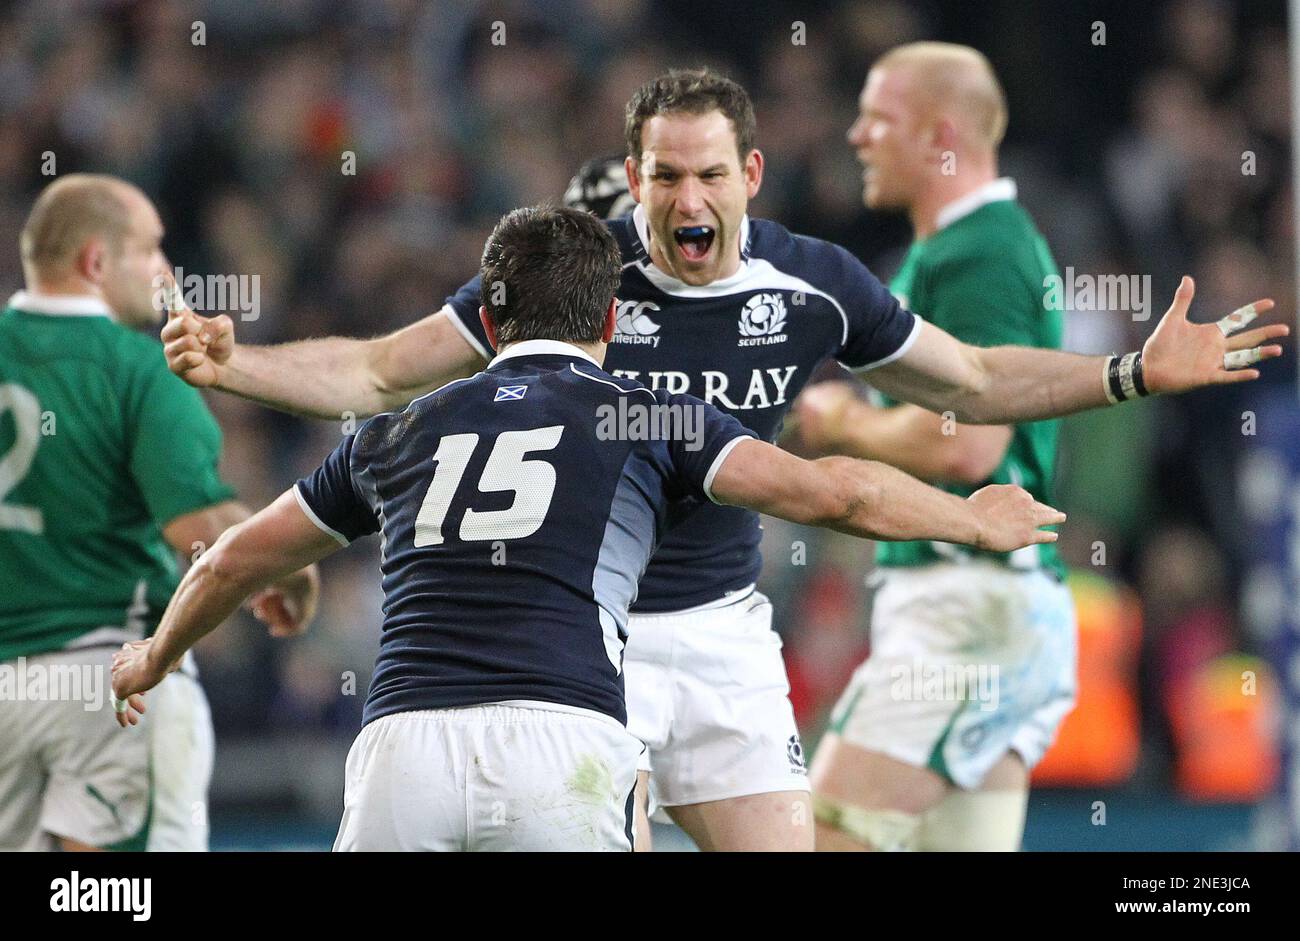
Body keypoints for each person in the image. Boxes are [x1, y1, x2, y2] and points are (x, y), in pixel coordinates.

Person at [157, 69, 1283, 851]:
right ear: (632, 180)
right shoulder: (577, 280)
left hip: (722, 636)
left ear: (748, 172)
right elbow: (375, 374)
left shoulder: (814, 284)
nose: (684, 203)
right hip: (584, 647)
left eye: (706, 177)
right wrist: (236, 362)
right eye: (661, 180)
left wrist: (1131, 371)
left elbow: (975, 379)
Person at [113, 204, 1063, 851]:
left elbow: (235, 557)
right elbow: (835, 493)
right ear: (611, 317)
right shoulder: (641, 412)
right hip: (557, 743)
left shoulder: (397, 428)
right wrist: (971, 519)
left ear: (488, 316)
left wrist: (152, 656)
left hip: (403, 744)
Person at [793, 42, 1075, 851]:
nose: (856, 136)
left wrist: (844, 425)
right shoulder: (949, 248)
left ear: (941, 136)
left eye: (878, 118)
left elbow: (968, 449)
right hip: (991, 607)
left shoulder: (979, 249)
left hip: (967, 605)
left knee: (818, 836)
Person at [0, 174, 318, 852]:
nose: (166, 272)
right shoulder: (138, 370)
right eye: (150, 250)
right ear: (95, 261)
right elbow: (200, 530)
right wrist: (292, 567)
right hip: (110, 675)